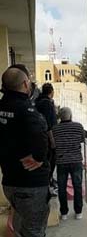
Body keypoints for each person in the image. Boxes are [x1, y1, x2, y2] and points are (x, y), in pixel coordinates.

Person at [0, 65, 53, 237]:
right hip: (31, 185)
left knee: (20, 222)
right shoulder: (28, 110)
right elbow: (40, 135)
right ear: (24, 84)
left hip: (9, 182)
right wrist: (38, 158)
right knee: (33, 230)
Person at [53, 107, 87, 220]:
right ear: (70, 116)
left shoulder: (55, 129)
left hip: (61, 162)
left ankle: (64, 213)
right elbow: (81, 139)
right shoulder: (78, 126)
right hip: (76, 161)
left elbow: (53, 144)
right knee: (77, 186)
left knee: (61, 187)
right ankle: (78, 212)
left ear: (60, 117)